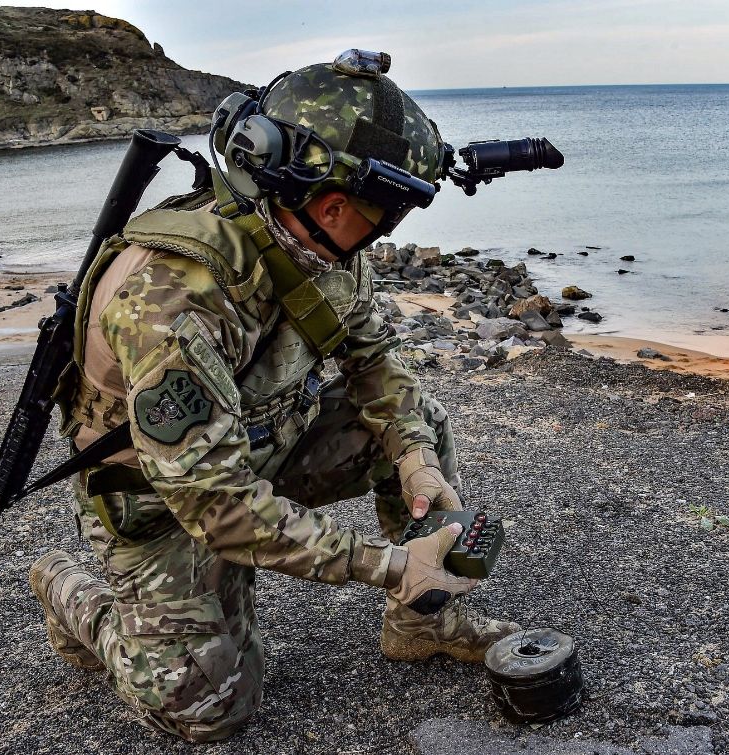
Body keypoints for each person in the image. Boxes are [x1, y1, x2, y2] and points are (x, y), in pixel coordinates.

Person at [28, 51, 520, 743]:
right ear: (330, 203)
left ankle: (424, 618)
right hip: (165, 499)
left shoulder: (319, 244)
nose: (387, 232)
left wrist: (413, 456)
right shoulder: (173, 301)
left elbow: (373, 359)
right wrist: (386, 564)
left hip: (261, 446)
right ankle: (67, 589)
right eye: (385, 214)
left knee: (422, 424)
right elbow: (219, 506)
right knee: (203, 707)